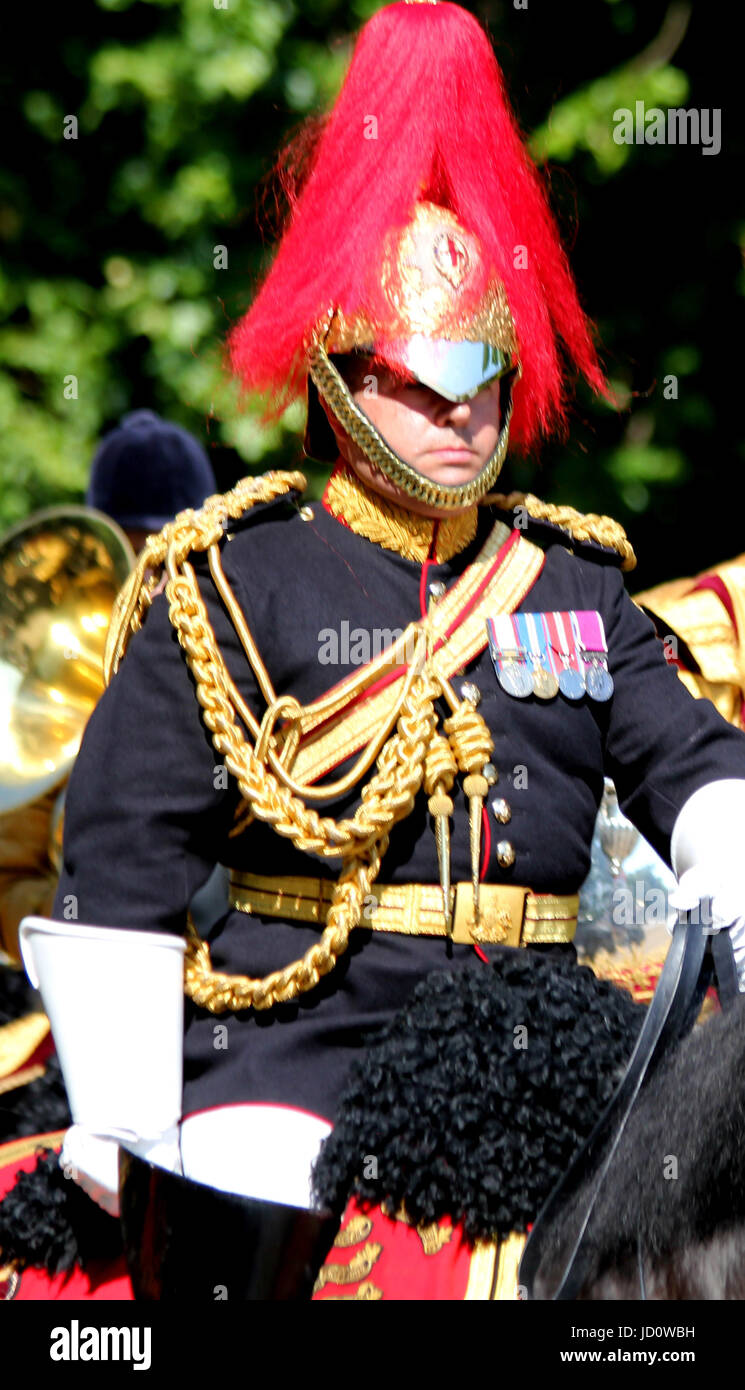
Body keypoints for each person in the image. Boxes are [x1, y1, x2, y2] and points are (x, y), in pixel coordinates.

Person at [15, 0, 745, 1300]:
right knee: (243, 1198)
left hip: (547, 1044)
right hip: (297, 1056)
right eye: (427, 375)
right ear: (342, 373)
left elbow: (692, 768)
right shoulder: (234, 578)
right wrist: (120, 1105)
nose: (465, 407)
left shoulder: (568, 576)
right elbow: (124, 859)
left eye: (487, 372)